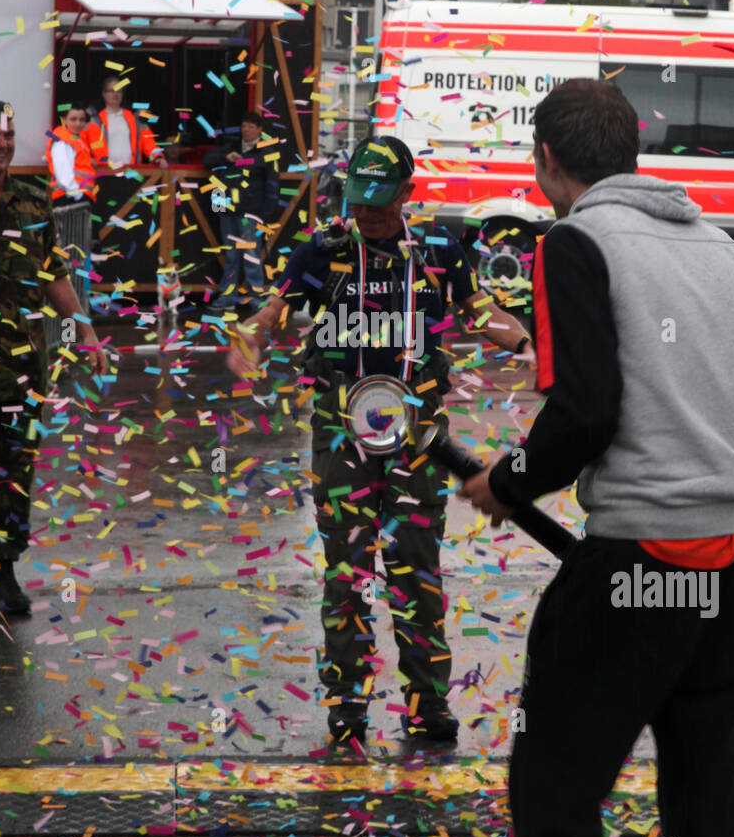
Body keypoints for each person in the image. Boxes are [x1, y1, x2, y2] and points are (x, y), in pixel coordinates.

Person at [461, 78, 734, 837]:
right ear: (633, 151)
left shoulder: (575, 239)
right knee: (704, 799)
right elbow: (731, 399)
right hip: (732, 567)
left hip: (639, 567)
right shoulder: (716, 245)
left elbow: (587, 412)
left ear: (547, 160)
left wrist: (506, 481)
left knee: (553, 795)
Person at [227, 135, 535, 745]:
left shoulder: (441, 250)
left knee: (415, 571)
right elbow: (273, 314)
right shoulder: (323, 251)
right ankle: (347, 704)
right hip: (340, 436)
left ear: (407, 193)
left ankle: (427, 704)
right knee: (347, 573)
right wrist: (250, 341)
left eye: (380, 200)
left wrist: (527, 344)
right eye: (358, 200)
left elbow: (479, 313)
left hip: (417, 435)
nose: (367, 213)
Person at [0, 99, 108, 621]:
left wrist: (85, 327)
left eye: (8, 135)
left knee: (16, 476)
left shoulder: (34, 202)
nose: (1, 144)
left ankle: (1, 573)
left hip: (20, 367)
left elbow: (53, 272)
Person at [205, 110, 281, 312]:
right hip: (225, 208)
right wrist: (226, 157)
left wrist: (267, 214)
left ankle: (256, 297)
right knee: (230, 255)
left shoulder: (267, 151)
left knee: (251, 254)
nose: (246, 130)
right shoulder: (231, 146)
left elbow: (273, 184)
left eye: (251, 127)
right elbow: (208, 160)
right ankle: (227, 296)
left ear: (260, 130)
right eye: (244, 126)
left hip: (251, 212)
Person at [44, 102, 101, 307]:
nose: (77, 123)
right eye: (73, 119)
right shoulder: (62, 139)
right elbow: (63, 172)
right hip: (71, 200)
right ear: (64, 120)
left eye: (81, 120)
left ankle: (78, 300)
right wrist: (77, 195)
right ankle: (70, 302)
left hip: (77, 199)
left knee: (79, 250)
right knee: (71, 250)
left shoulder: (75, 140)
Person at [83, 75, 166, 170]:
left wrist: (158, 157)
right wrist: (87, 159)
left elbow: (148, 143)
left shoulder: (135, 118)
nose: (115, 94)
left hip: (131, 171)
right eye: (111, 91)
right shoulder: (94, 119)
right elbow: (81, 143)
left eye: (119, 91)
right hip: (104, 171)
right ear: (104, 94)